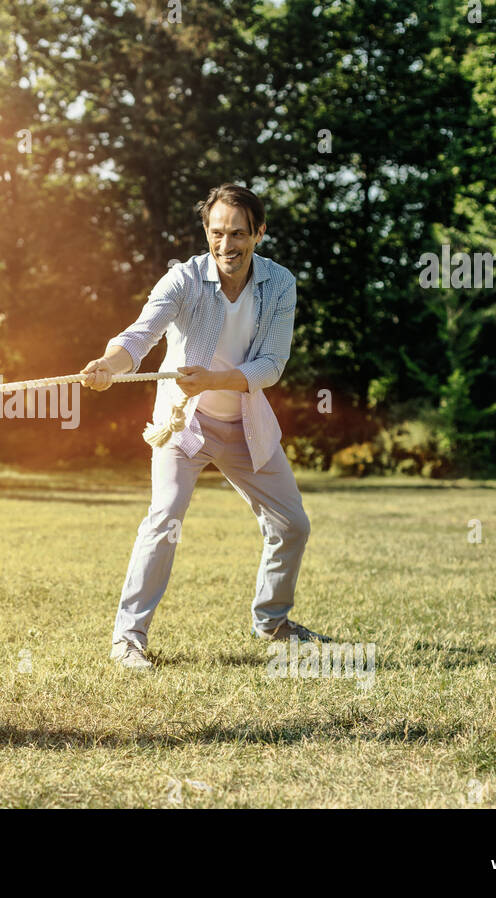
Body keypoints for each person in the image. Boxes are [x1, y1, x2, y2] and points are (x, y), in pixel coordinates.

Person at [82, 184, 329, 670]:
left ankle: (272, 622)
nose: (227, 244)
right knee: (164, 519)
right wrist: (111, 365)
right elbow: (139, 334)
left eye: (238, 233)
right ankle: (127, 640)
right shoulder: (183, 280)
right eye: (217, 233)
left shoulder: (280, 284)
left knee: (292, 524)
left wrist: (216, 380)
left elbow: (272, 365)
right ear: (206, 232)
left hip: (244, 425)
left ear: (259, 232)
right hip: (182, 425)